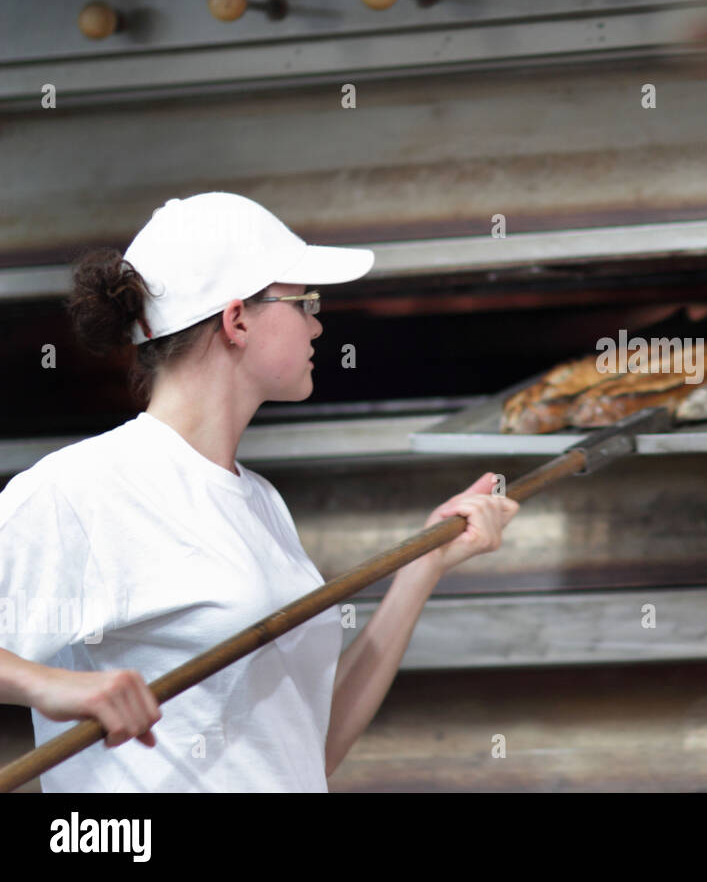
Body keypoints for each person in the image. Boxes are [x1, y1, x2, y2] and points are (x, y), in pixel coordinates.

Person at [0, 192, 518, 791]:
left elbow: (305, 750)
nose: (319, 323)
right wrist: (51, 684)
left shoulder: (261, 503)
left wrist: (423, 567)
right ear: (237, 319)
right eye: (305, 303)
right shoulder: (81, 489)